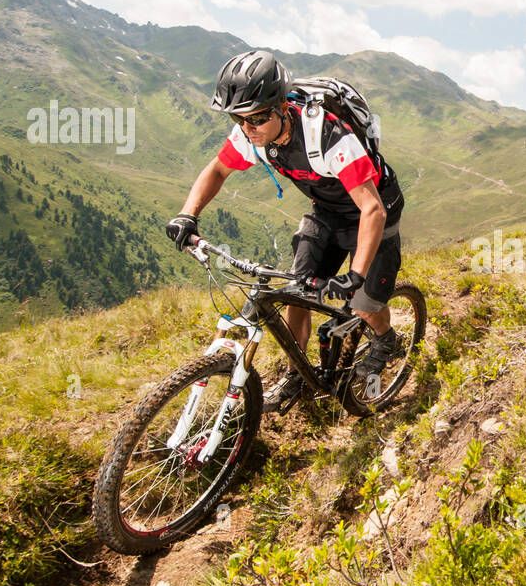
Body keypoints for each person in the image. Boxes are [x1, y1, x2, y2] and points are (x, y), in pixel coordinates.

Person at [166, 50, 405, 413]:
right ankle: (296, 375)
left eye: (258, 118)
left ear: (282, 107)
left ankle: (387, 340)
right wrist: (188, 214)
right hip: (327, 211)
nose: (249, 128)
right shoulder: (250, 134)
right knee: (297, 290)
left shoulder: (327, 135)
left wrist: (354, 275)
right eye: (239, 118)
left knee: (365, 304)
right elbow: (217, 169)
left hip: (375, 210)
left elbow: (371, 209)